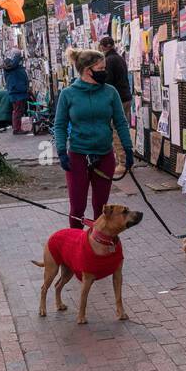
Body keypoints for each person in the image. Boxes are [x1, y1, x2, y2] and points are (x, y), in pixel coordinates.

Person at [53, 47, 134, 230]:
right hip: (78, 155)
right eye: (100, 70)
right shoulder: (68, 94)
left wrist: (128, 150)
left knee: (101, 208)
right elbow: (59, 125)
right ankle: (75, 245)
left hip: (104, 155)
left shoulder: (110, 92)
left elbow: (120, 122)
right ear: (86, 70)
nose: (104, 73)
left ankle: (98, 246)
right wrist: (61, 151)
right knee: (77, 207)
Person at [98, 35, 132, 176]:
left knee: (116, 130)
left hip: (118, 98)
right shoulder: (119, 58)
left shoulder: (109, 61)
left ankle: (122, 163)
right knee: (122, 127)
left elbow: (108, 81)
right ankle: (126, 160)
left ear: (103, 47)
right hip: (126, 97)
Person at [3, 47, 31, 134]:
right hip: (17, 92)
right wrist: (18, 54)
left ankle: (17, 127)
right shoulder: (12, 66)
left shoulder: (12, 67)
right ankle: (17, 128)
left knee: (18, 110)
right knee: (18, 111)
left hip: (17, 91)